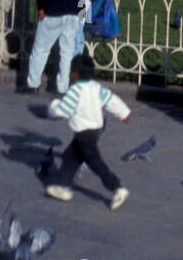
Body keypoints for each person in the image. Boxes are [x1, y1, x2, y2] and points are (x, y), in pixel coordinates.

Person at [45, 53, 131, 211]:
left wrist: (54, 105)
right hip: (92, 131)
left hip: (84, 133)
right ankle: (63, 186)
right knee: (70, 157)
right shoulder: (96, 88)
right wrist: (124, 113)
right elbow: (111, 100)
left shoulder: (75, 90)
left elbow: (63, 111)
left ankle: (117, 188)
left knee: (95, 163)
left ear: (74, 74)